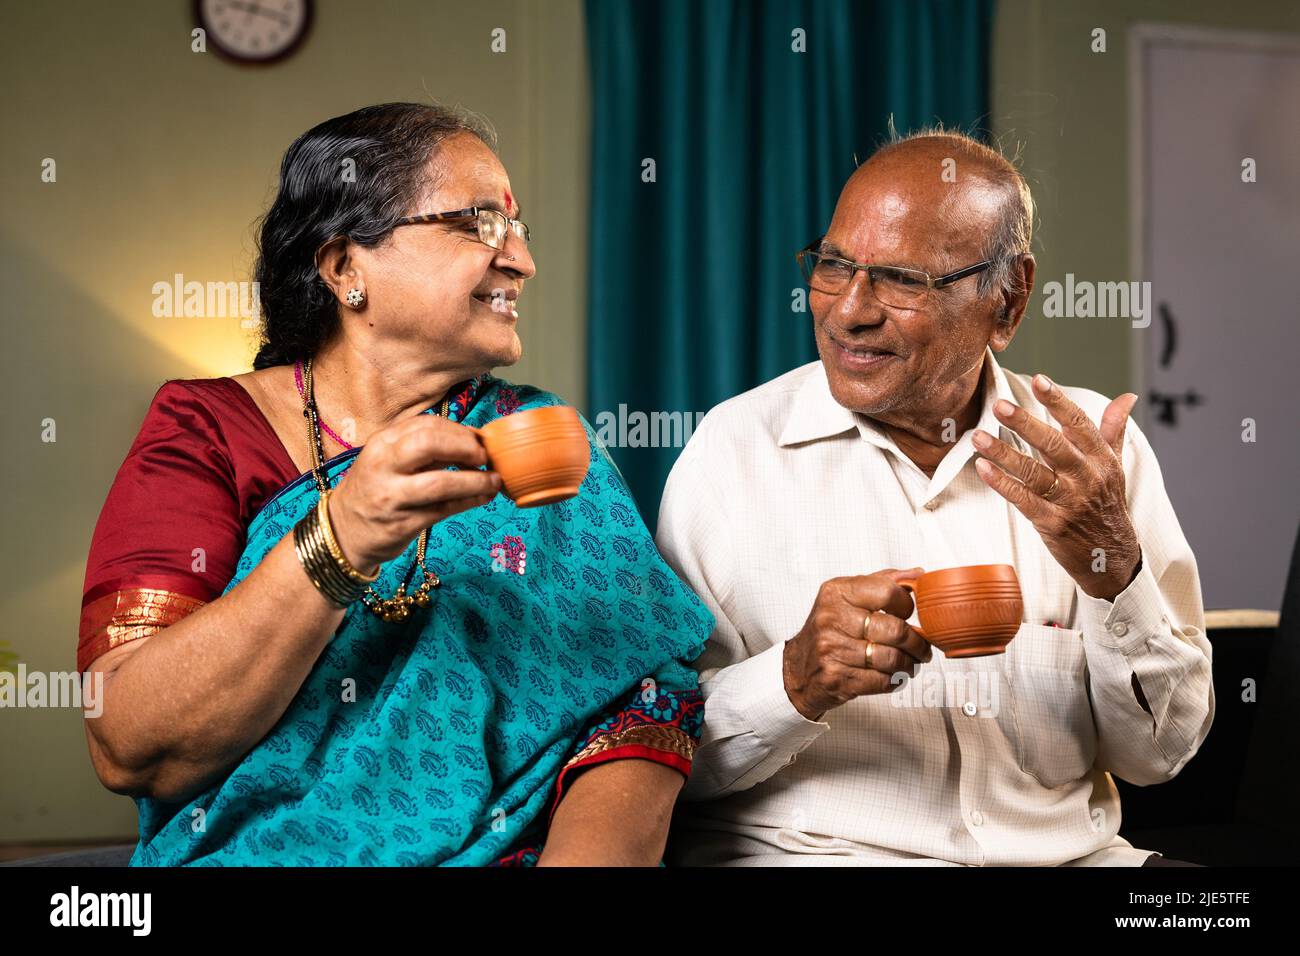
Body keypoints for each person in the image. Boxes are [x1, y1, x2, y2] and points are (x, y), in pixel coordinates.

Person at [79, 102, 710, 866]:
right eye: (478, 224)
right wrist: (339, 536)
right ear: (347, 266)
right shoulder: (210, 431)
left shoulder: (537, 439)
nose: (521, 260)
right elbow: (127, 745)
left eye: (519, 229)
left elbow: (641, 703)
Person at [655, 129, 1212, 866]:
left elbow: (1159, 755)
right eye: (833, 265)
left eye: (901, 280)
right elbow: (651, 763)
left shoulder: (1091, 464)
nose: (849, 309)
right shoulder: (730, 456)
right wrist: (794, 680)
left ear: (1007, 302)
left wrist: (1115, 576)